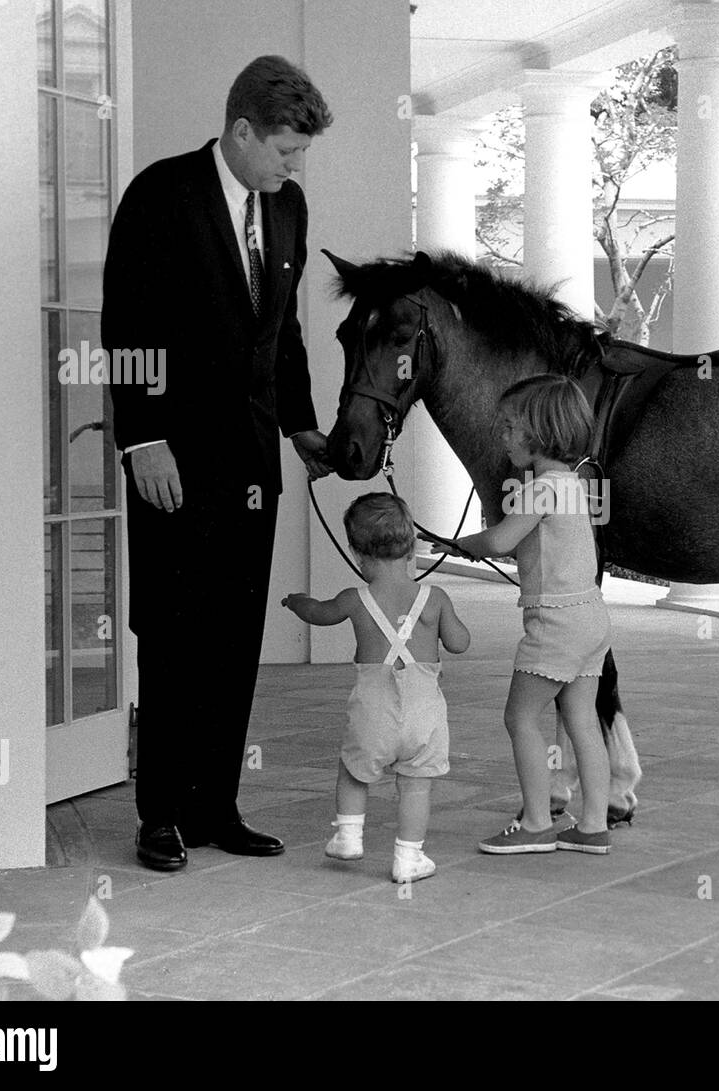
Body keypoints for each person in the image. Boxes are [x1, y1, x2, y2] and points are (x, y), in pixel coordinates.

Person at [102, 56, 334, 871]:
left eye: (299, 155)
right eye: (285, 150)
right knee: (173, 633)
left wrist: (302, 426)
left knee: (234, 636)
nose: (294, 167)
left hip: (250, 465)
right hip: (172, 461)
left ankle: (214, 806)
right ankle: (160, 813)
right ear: (240, 132)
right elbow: (124, 327)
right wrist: (142, 438)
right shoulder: (159, 196)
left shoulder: (289, 208)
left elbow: (284, 331)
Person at [428, 375, 613, 855]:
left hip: (556, 623)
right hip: (590, 617)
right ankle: (592, 824)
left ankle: (534, 822)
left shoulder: (541, 488)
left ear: (540, 430)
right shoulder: (574, 484)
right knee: (582, 718)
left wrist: (456, 544)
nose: (503, 436)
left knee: (520, 717)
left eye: (510, 426)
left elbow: (500, 541)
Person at [282, 494, 470, 883]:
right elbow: (459, 642)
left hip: (372, 712)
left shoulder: (354, 600)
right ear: (410, 546)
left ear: (356, 552)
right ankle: (408, 858)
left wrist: (298, 602)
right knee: (416, 785)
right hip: (425, 716)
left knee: (353, 771)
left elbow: (318, 613)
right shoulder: (434, 598)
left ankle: (348, 836)